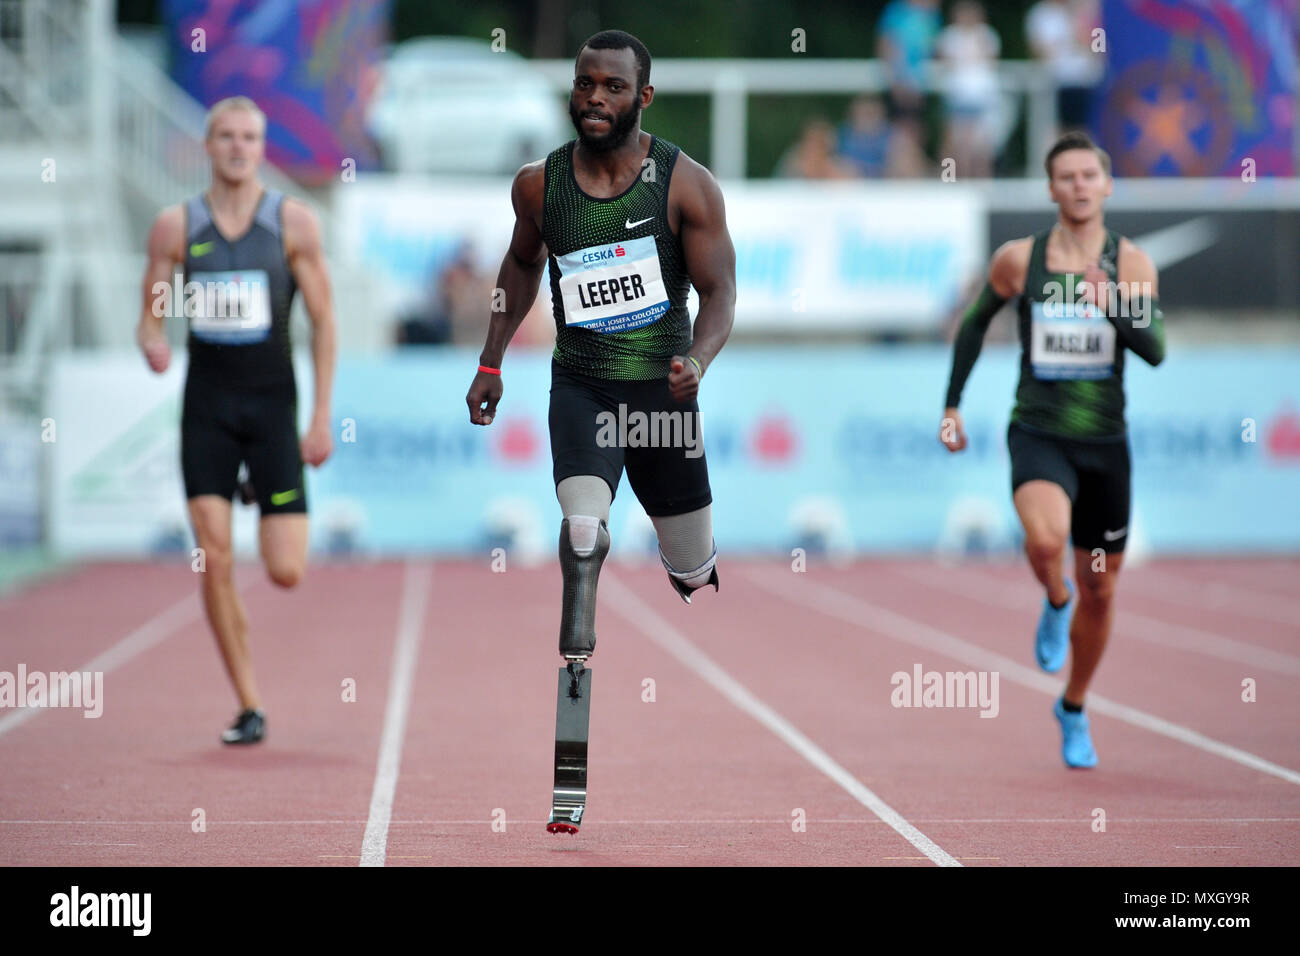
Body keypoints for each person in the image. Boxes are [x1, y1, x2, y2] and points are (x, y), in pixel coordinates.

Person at [465, 30, 735, 829]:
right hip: (580, 391)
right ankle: (577, 665)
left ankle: (690, 560)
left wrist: (701, 360)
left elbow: (719, 295)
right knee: (584, 530)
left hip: (662, 398)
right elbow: (518, 268)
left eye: (612, 87)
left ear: (641, 98)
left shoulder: (685, 185)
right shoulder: (539, 186)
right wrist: (490, 362)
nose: (594, 99)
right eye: (584, 85)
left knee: (690, 569)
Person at [939, 130, 1165, 767]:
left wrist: (1114, 306)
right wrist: (952, 405)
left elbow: (1156, 351)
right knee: (1045, 542)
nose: (1079, 186)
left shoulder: (1133, 264)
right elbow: (977, 322)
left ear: (1107, 184)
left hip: (1105, 445)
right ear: (1051, 188)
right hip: (1038, 433)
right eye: (1066, 177)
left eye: (1089, 175)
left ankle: (1072, 705)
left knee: (1105, 589)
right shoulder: (1021, 259)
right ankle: (1054, 597)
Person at [136, 96, 337, 744]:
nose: (238, 147)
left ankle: (257, 485)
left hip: (274, 409)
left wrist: (321, 417)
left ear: (261, 147)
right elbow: (155, 303)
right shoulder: (175, 226)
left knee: (285, 571)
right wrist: (152, 337)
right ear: (207, 144)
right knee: (214, 556)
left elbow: (325, 322)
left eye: (250, 137)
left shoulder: (293, 224)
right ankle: (250, 703)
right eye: (226, 136)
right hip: (208, 411)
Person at [936, 0, 1002, 178]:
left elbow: (990, 60)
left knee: (981, 145)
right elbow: (945, 62)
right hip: (958, 95)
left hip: (981, 96)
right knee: (955, 143)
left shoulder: (987, 35)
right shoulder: (950, 36)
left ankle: (981, 180)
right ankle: (950, 178)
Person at [1025, 0, 1103, 132]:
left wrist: (1083, 27)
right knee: (1060, 130)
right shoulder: (1041, 14)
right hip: (1058, 83)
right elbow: (1039, 51)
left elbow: (1099, 49)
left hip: (1086, 82)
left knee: (1087, 131)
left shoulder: (1086, 13)